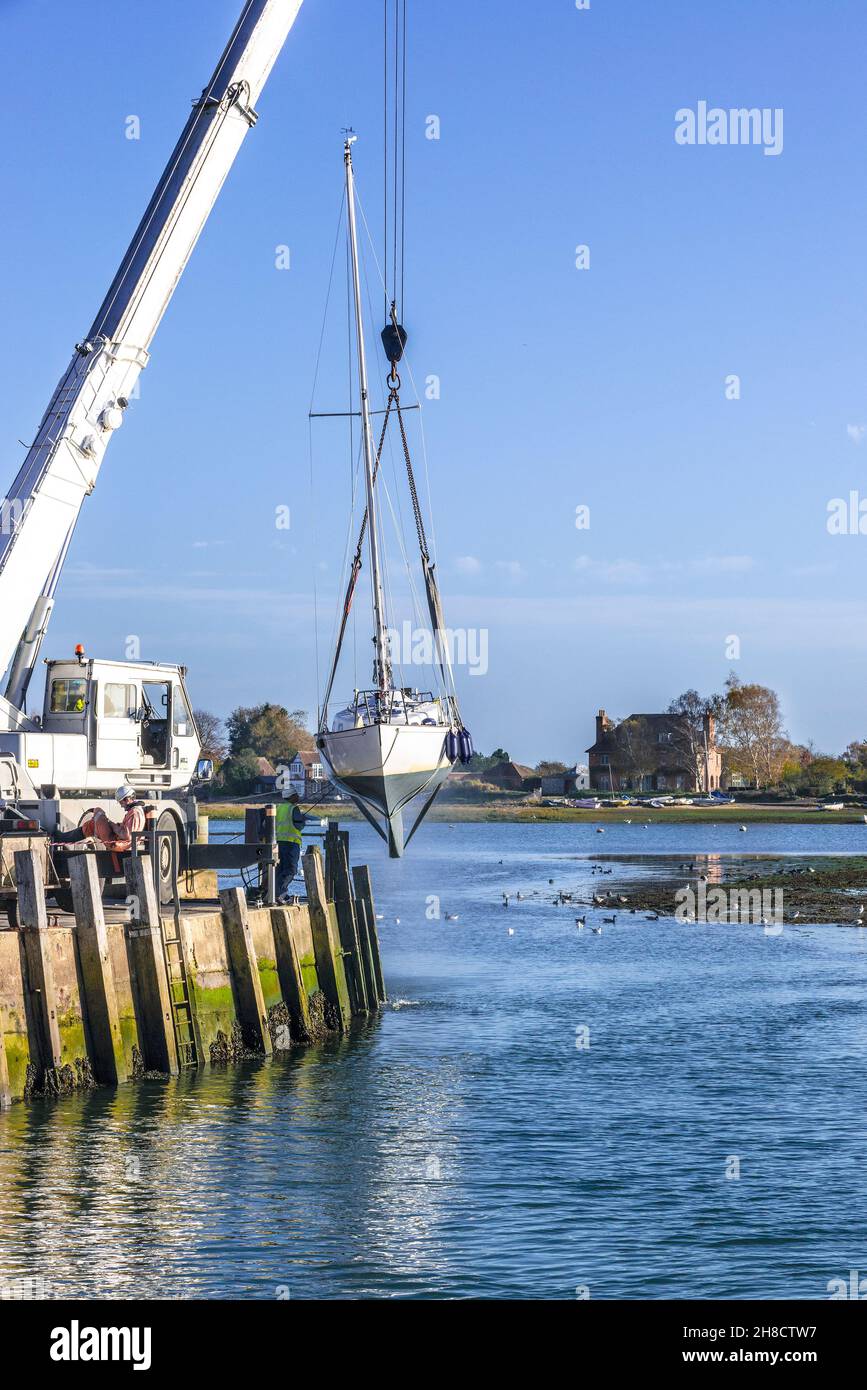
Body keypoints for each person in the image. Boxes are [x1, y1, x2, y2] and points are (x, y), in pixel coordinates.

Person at [54, 785, 146, 852]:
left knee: (98, 814)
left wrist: (112, 825)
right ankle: (64, 838)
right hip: (120, 842)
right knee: (94, 821)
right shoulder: (135, 811)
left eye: (121, 803)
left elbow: (127, 835)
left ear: (128, 799)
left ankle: (62, 838)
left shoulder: (134, 812)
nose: (122, 806)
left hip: (118, 844)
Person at [275, 792, 306, 902]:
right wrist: (303, 820)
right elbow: (299, 825)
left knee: (280, 868)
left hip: (279, 842)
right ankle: (280, 892)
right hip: (291, 843)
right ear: (291, 796)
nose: (298, 797)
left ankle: (276, 892)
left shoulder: (279, 808)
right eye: (296, 795)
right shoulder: (294, 809)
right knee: (291, 870)